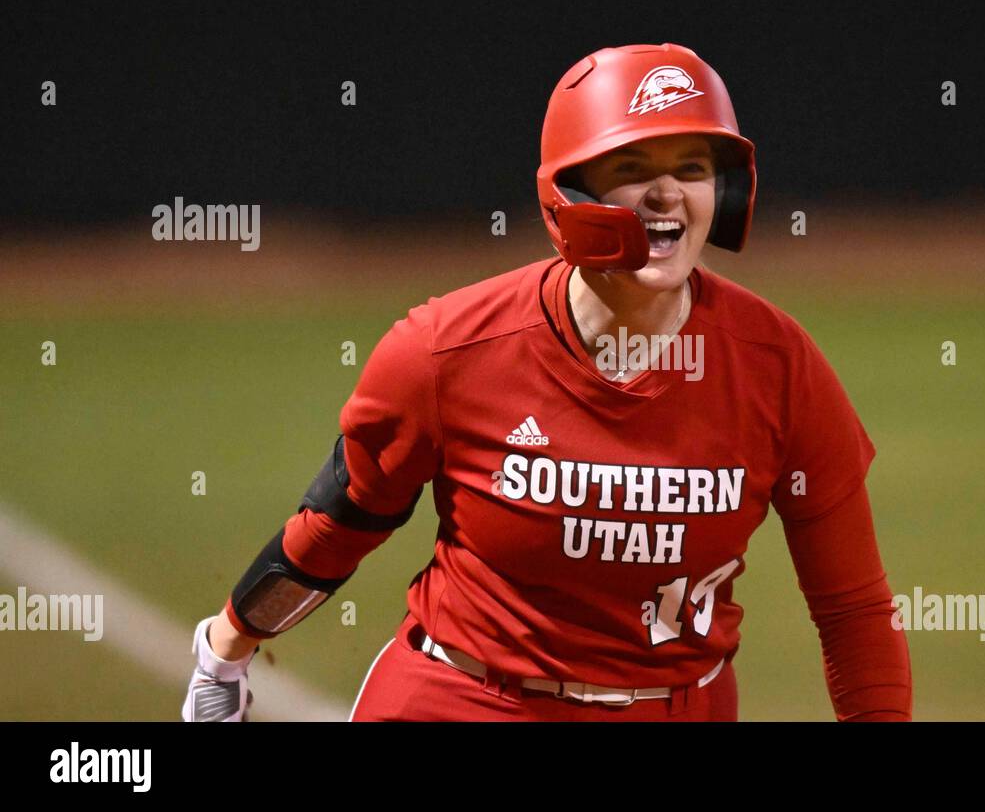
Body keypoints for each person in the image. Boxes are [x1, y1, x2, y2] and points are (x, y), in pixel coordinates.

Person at [182, 43, 912, 722]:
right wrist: (225, 648)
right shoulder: (448, 351)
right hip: (465, 696)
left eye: (692, 168)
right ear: (569, 192)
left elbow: (853, 610)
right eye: (632, 167)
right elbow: (340, 526)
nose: (667, 195)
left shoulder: (778, 366)